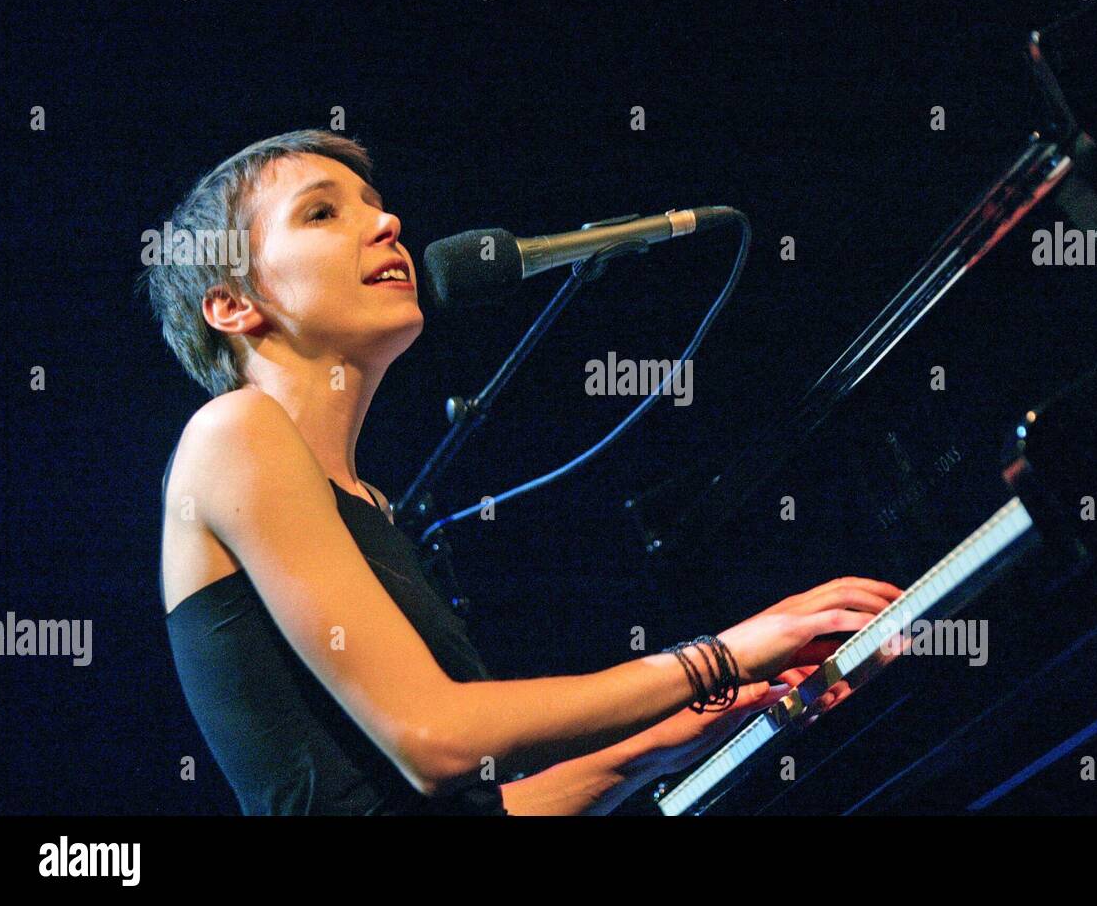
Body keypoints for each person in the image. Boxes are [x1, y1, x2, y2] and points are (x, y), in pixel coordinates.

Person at [139, 130, 900, 815]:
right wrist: (719, 657)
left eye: (376, 203)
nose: (387, 223)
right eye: (322, 213)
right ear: (232, 304)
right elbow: (435, 738)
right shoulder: (232, 431)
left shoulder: (371, 505)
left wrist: (688, 727)